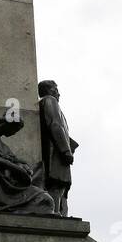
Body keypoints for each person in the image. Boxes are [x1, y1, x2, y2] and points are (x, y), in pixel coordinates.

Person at [37, 79, 78, 216]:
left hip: (56, 149)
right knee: (58, 182)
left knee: (60, 186)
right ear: (49, 91)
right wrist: (65, 150)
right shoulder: (49, 100)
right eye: (56, 89)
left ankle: (59, 212)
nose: (59, 93)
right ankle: (54, 212)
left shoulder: (47, 102)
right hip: (56, 152)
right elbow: (55, 125)